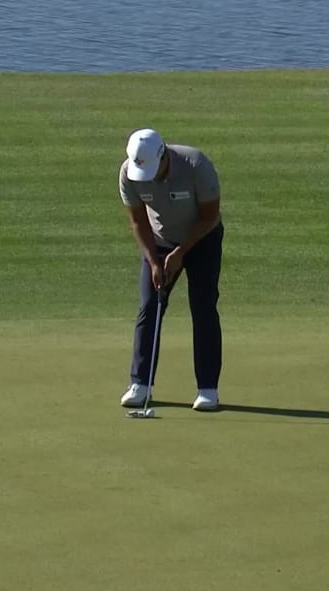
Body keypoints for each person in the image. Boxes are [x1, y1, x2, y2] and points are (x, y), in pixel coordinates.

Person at [117, 128, 224, 411]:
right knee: (149, 307)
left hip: (202, 239)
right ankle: (140, 383)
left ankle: (208, 389)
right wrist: (154, 261)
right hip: (160, 241)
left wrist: (180, 252)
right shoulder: (129, 173)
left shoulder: (196, 165)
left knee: (203, 308)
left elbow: (210, 216)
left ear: (163, 154)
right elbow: (139, 222)